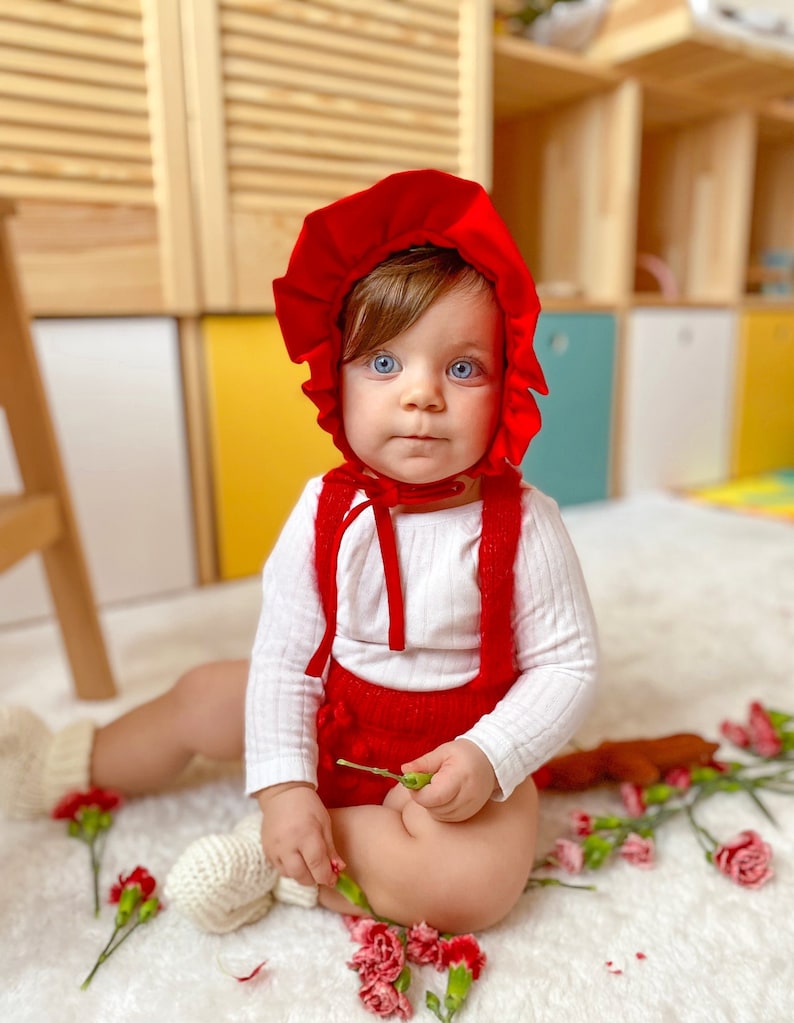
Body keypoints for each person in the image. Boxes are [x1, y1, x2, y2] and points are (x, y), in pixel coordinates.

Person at [0, 170, 598, 935]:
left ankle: (279, 865)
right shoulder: (326, 509)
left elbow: (569, 665)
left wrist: (492, 753)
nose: (422, 395)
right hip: (336, 713)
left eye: (461, 367)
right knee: (205, 694)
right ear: (336, 378)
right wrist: (286, 784)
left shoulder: (525, 522)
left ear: (508, 380)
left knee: (475, 886)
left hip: (451, 760)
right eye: (385, 363)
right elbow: (286, 659)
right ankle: (66, 766)